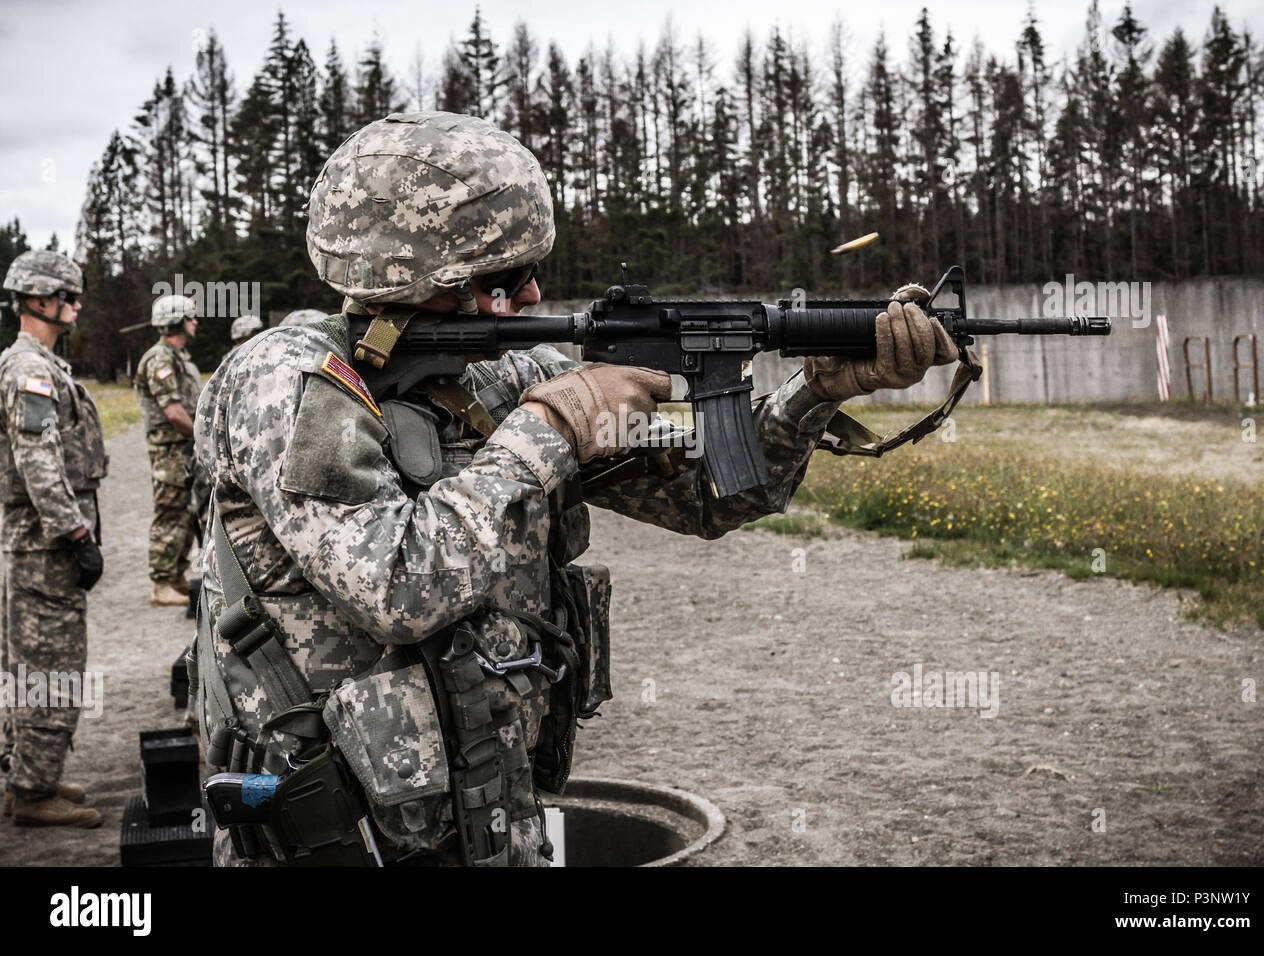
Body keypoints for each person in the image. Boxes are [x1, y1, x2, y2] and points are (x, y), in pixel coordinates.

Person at [193, 111, 957, 867]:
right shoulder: (288, 382)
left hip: (490, 814)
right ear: (417, 277)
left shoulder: (500, 376)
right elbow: (397, 587)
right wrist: (549, 431)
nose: (529, 298)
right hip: (337, 839)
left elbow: (705, 493)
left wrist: (816, 391)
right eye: (503, 279)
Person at [0, 250, 106, 828]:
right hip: (47, 548)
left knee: (29, 665)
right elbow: (37, 459)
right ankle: (33, 793)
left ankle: (28, 778)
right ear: (41, 301)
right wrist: (75, 533)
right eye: (69, 297)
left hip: (37, 544)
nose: (77, 306)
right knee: (54, 667)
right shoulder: (30, 370)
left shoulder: (35, 363)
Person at [133, 294, 201, 606]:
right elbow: (174, 413)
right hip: (169, 450)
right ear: (176, 321)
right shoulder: (160, 359)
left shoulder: (177, 356)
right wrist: (205, 435)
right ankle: (160, 583)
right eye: (190, 317)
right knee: (170, 513)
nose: (195, 321)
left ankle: (175, 576)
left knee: (186, 514)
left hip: (182, 449)